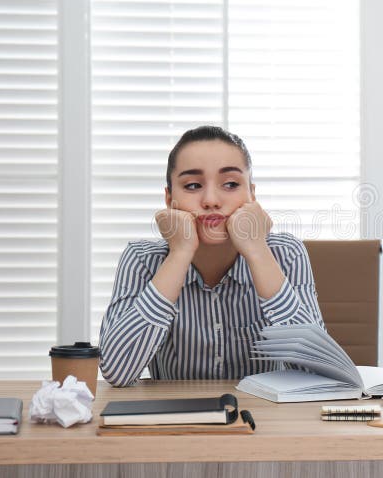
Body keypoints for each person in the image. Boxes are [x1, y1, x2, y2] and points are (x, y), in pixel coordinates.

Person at [99, 125, 325, 386]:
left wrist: (257, 251)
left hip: (262, 421)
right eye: (193, 185)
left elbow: (316, 374)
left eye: (230, 184)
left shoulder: (285, 255)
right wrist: (180, 253)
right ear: (169, 198)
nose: (211, 200)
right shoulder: (142, 259)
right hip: (174, 421)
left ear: (252, 194)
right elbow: (117, 372)